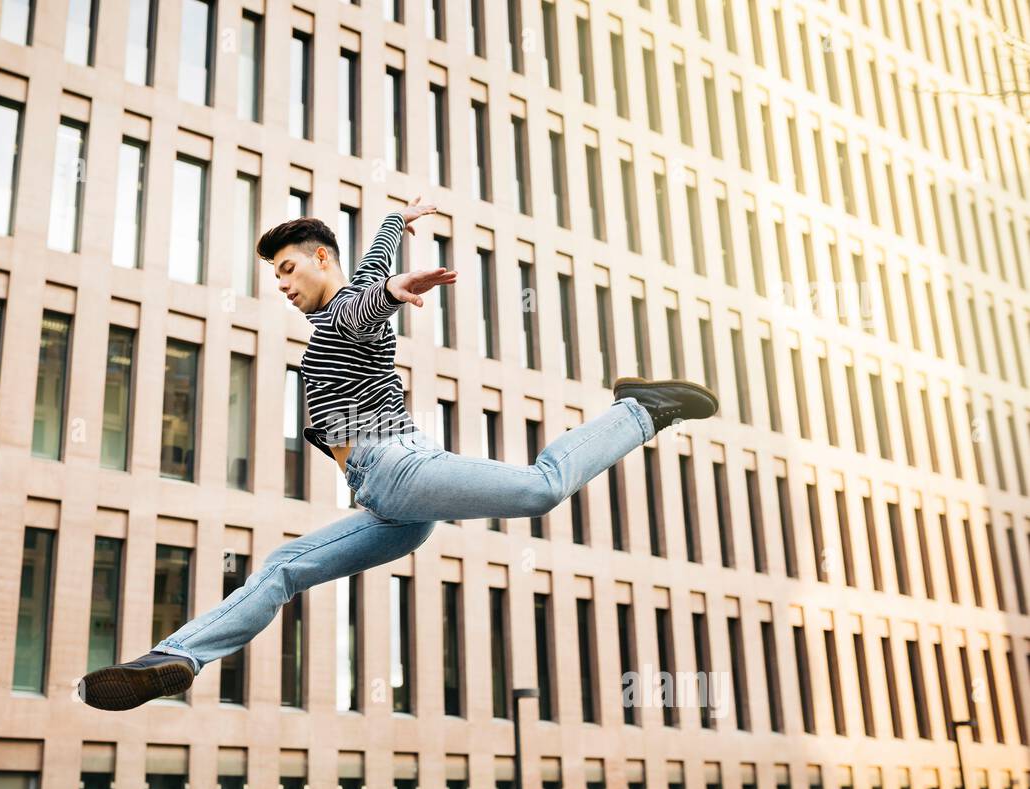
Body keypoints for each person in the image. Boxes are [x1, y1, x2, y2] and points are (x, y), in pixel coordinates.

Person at [77, 198, 718, 710]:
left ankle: (640, 408)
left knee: (540, 488)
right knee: (281, 568)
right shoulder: (340, 309)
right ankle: (174, 659)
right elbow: (364, 279)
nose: (280, 285)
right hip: (388, 507)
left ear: (317, 258)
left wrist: (390, 292)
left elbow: (364, 301)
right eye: (273, 275)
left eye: (287, 270)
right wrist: (392, 226)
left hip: (399, 467)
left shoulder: (346, 314)